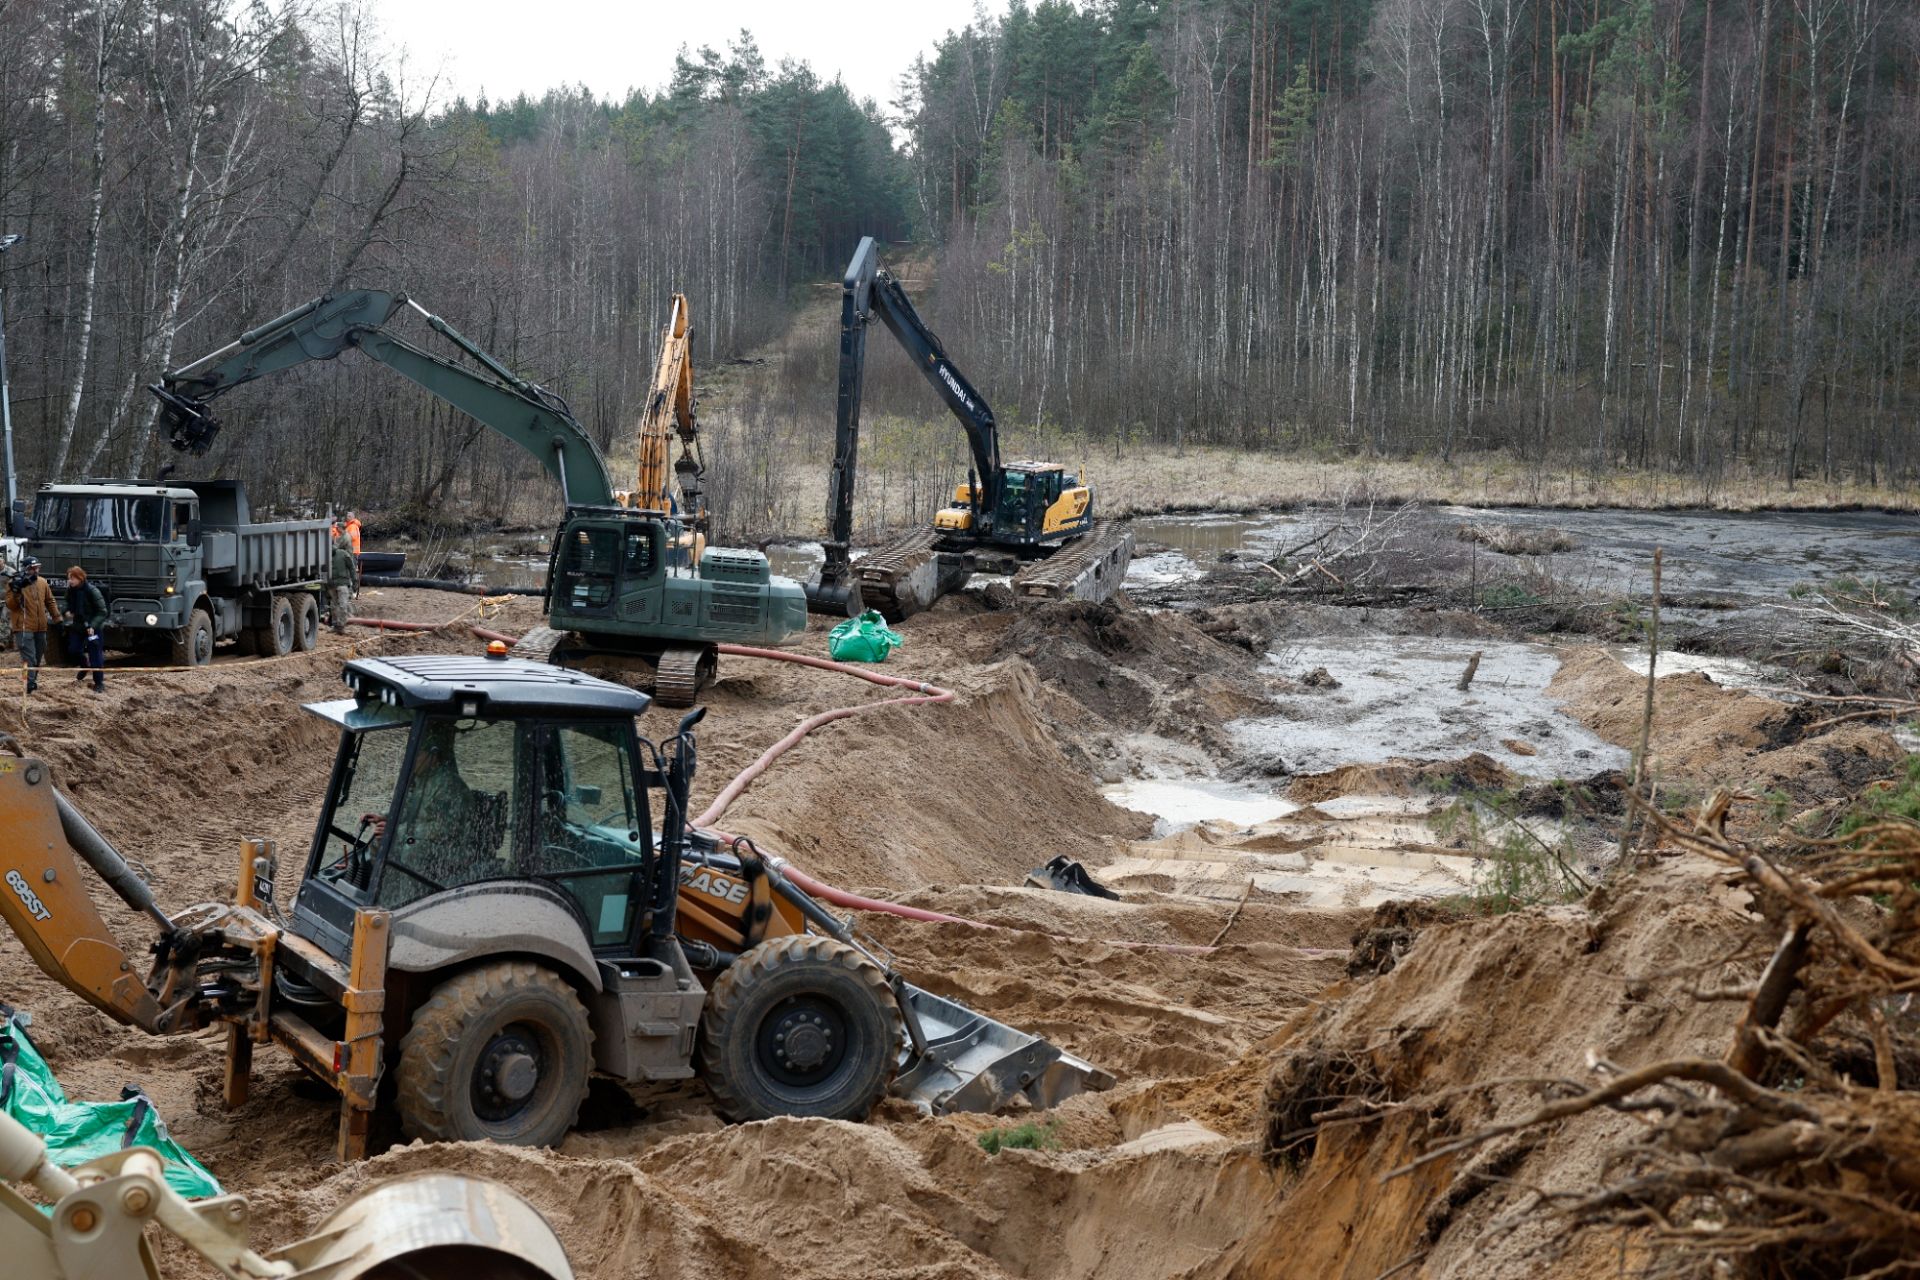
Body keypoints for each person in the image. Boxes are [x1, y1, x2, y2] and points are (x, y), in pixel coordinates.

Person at [363, 721, 488, 893]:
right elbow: (409, 807)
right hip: (423, 840)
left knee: (412, 850)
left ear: (433, 756)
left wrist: (396, 832)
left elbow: (446, 828)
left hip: (455, 848)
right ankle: (386, 895)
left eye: (417, 755)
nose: (411, 760)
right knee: (380, 844)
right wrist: (385, 818)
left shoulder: (448, 785)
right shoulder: (423, 780)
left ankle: (407, 901)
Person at [5, 557, 56, 693]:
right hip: (23, 626)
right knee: (29, 657)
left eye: (37, 567)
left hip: (40, 626)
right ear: (26, 569)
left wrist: (58, 619)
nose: (36, 570)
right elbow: (10, 605)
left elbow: (50, 601)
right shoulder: (14, 582)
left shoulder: (42, 582)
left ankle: (31, 681)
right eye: (33, 568)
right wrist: (16, 592)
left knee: (38, 655)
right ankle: (29, 684)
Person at [63, 566, 107, 693]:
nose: (70, 581)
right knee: (73, 650)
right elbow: (66, 602)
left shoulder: (92, 591)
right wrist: (66, 610)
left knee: (95, 655)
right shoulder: (70, 590)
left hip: (93, 627)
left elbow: (102, 612)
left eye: (72, 578)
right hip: (78, 626)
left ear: (80, 578)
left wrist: (93, 626)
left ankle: (99, 682)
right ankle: (84, 665)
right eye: (69, 578)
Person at [327, 531, 358, 635]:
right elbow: (352, 568)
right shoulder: (330, 556)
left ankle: (340, 626)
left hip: (340, 584)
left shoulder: (342, 554)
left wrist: (355, 582)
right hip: (334, 584)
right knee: (335, 605)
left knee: (341, 605)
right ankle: (337, 625)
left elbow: (352, 568)